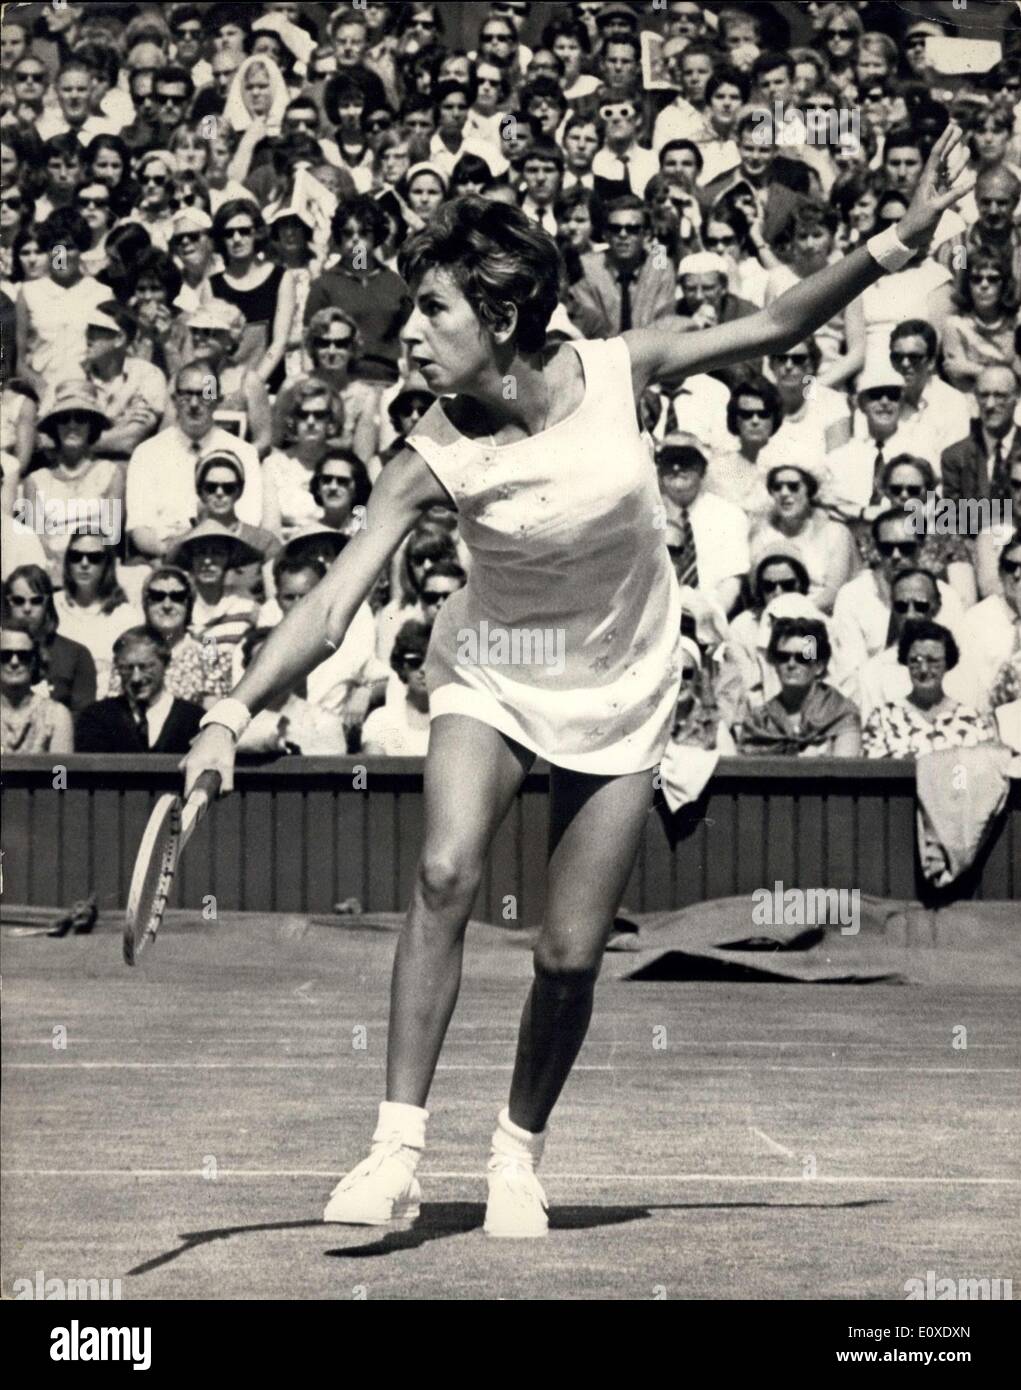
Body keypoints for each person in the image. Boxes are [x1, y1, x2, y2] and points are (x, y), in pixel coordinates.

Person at [182, 129, 975, 1238]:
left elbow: (777, 322)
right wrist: (228, 712)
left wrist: (900, 236)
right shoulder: (425, 455)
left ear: (500, 322)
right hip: (496, 669)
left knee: (567, 951)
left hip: (624, 678)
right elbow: (328, 607)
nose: (406, 333)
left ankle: (517, 1151)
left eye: (434, 314)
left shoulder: (618, 367)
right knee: (446, 870)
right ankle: (394, 1149)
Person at [863, 621, 995, 759]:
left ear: (947, 663)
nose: (924, 669)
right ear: (906, 662)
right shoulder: (884, 719)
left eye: (933, 661)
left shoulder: (972, 720)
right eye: (915, 660)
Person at [738, 615, 861, 757]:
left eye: (802, 658)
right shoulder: (759, 722)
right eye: (783, 657)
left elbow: (844, 773)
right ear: (775, 663)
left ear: (819, 666)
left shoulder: (841, 714)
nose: (791, 664)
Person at [76, 626, 205, 754]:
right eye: (127, 668)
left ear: (165, 663)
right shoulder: (97, 717)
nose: (136, 678)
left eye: (145, 667)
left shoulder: (194, 720)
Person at [1, 566, 96, 714]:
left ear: (48, 604)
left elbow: (84, 720)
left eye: (36, 601)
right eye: (18, 600)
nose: (27, 608)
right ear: (7, 604)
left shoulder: (76, 654)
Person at [940, 366, 1020, 506]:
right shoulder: (955, 457)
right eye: (984, 395)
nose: (990, 405)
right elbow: (953, 521)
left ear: (1017, 397)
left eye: (999, 395)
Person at [1, 619, 74, 753]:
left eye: (24, 656)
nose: (14, 662)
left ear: (36, 660)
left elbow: (61, 772)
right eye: (4, 655)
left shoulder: (57, 716)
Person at [360, 619, 432, 755]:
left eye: (431, 662)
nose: (423, 669)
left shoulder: (456, 725)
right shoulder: (381, 720)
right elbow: (374, 774)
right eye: (415, 661)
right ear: (402, 666)